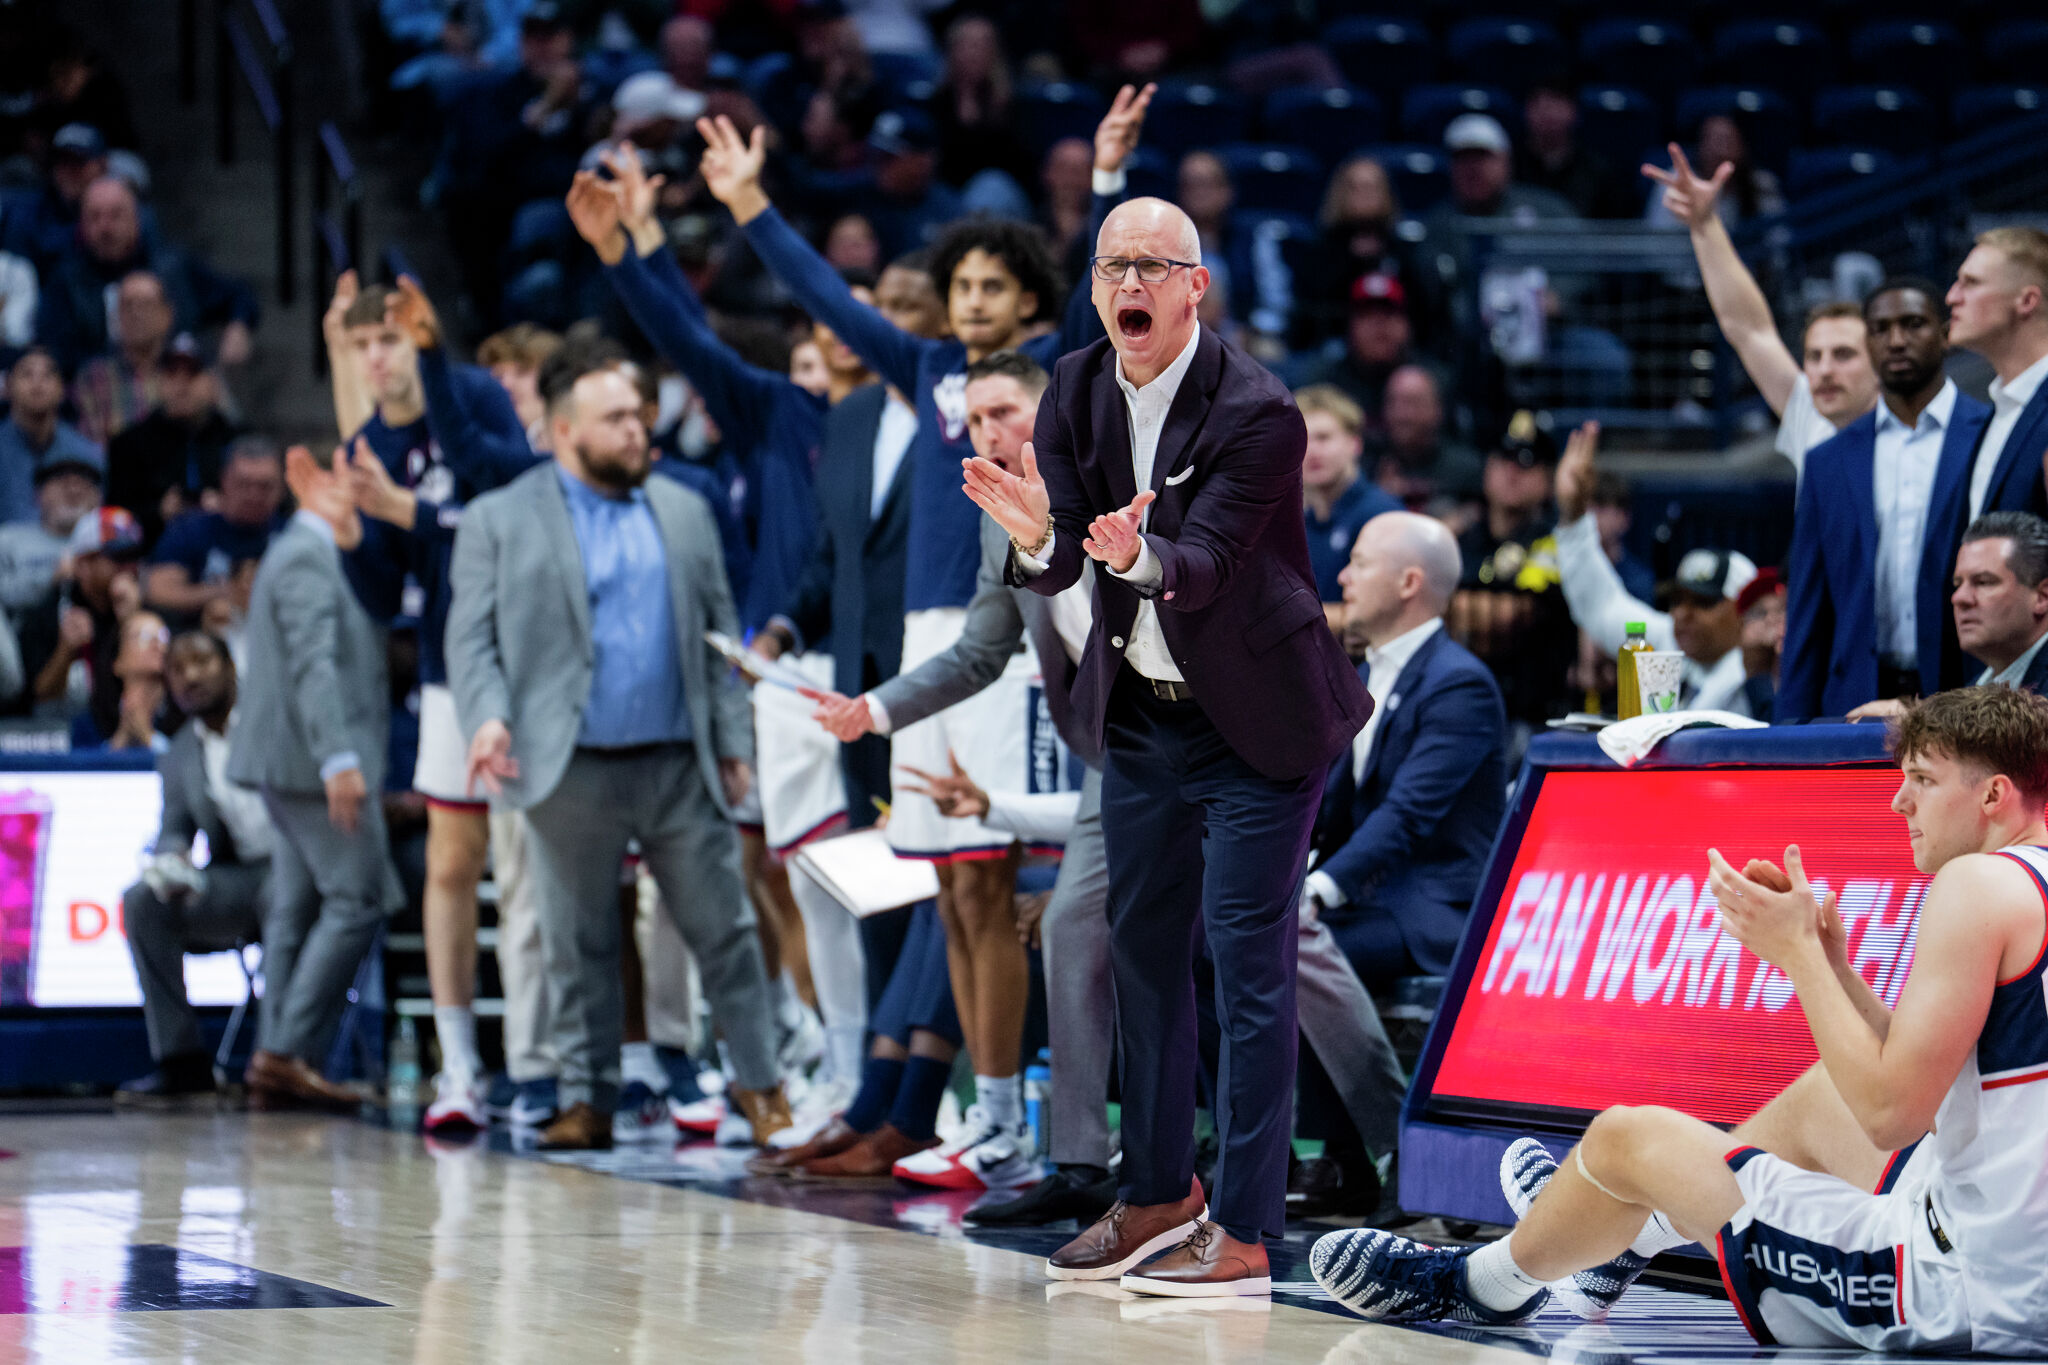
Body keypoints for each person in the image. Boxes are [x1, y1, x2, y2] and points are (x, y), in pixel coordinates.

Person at [1313, 685, 2048, 1358]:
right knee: (1826, 1091)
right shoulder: (2025, 885)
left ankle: (1485, 1283)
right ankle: (1618, 1242)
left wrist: (1796, 957)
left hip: (1964, 1292)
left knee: (1626, 1136)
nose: (1899, 804)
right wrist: (1835, 966)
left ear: (1993, 794)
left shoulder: (1976, 884)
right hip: (2021, 1264)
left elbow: (1893, 1112)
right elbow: (1936, 1068)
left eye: (1921, 780)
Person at [695, 87, 1150, 1152]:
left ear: (1027, 294)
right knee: (946, 888)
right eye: (960, 285)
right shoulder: (924, 366)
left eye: (993, 284)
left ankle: (995, 1117)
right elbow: (826, 298)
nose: (975, 299)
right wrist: (751, 206)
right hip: (919, 641)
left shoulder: (1055, 364)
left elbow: (1096, 291)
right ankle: (963, 1114)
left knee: (985, 883)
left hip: (1003, 633)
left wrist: (1107, 180)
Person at [962, 195, 1373, 1296]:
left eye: (1153, 265)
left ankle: (1241, 1226)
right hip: (1143, 712)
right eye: (1111, 266)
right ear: (1095, 288)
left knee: (1246, 967)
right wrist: (1036, 537)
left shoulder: (1258, 410)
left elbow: (1208, 566)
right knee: (1132, 956)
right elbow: (1057, 565)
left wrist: (1130, 552)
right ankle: (1153, 1193)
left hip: (1260, 720)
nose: (1129, 284)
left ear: (1196, 286)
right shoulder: (1074, 385)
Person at [445, 350, 788, 1153]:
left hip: (677, 757)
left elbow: (717, 636)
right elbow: (472, 643)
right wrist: (488, 720)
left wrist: (734, 739)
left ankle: (764, 1090)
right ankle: (586, 1096)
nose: (638, 430)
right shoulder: (499, 516)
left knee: (726, 932)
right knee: (577, 941)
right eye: (617, 420)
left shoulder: (684, 508)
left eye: (639, 414)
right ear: (562, 430)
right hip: (567, 758)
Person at [330, 272, 538, 1135]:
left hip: (530, 655)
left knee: (529, 871)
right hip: (451, 667)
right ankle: (459, 1069)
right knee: (452, 866)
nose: (378, 358)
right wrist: (354, 541)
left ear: (418, 333)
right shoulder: (367, 445)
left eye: (389, 337)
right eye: (362, 344)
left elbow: (517, 505)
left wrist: (410, 511)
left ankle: (536, 1062)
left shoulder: (478, 396)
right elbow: (386, 598)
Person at [227, 446, 398, 1112]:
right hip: (310, 763)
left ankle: (278, 1056)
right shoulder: (308, 553)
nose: (358, 492)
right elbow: (313, 666)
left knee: (295, 910)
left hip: (287, 764)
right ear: (313, 485)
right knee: (358, 898)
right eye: (344, 479)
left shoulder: (309, 550)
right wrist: (339, 758)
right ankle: (289, 1051)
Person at [1778, 280, 1992, 721]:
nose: (1896, 340)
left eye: (1913, 324)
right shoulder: (1827, 462)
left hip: (1968, 692)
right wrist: (1786, 734)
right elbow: (1807, 611)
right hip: (1855, 694)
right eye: (1880, 328)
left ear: (1945, 333)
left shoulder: (1989, 433)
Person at [1310, 512, 1506, 987]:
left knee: (1280, 962)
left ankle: (1370, 1067)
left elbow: (1406, 814)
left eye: (1359, 563)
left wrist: (1316, 890)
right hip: (1369, 901)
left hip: (1427, 913)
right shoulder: (1365, 674)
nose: (1343, 577)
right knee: (1219, 948)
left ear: (1408, 583)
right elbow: (1328, 804)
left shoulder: (1459, 685)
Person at [1643, 143, 1877, 479]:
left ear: (1880, 368)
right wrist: (1706, 224)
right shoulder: (1811, 423)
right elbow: (1749, 329)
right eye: (1814, 357)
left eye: (1843, 355)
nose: (1824, 370)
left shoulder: (1917, 444)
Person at [114, 631, 271, 1103]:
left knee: (287, 893)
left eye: (201, 661)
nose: (190, 677)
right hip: (239, 879)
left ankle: (285, 1058)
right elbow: (176, 826)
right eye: (177, 670)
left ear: (230, 664)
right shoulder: (180, 751)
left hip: (299, 869)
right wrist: (172, 858)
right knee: (143, 903)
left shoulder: (270, 719)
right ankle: (182, 1066)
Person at [1553, 421, 1761, 714]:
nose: (1683, 614)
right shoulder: (1669, 643)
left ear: (1745, 614)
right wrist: (1574, 516)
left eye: (1704, 603)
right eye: (1677, 600)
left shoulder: (1758, 679)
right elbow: (1602, 606)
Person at [37, 175, 256, 374]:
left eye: (115, 215)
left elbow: (239, 294)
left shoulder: (173, 267)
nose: (105, 227)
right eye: (95, 217)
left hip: (175, 384)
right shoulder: (65, 280)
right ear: (81, 226)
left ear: (136, 219)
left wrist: (239, 324)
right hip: (97, 395)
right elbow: (56, 353)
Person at [1855, 514, 2048, 721]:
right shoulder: (1975, 689)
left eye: (1983, 582)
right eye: (1958, 584)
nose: (1959, 598)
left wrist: (1929, 723)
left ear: (2042, 597)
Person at [1453, 411, 1575, 735]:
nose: (1512, 473)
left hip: (1534, 716)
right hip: (1461, 705)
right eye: (1502, 460)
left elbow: (1506, 617)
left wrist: (1445, 606)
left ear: (1549, 482)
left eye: (1527, 464)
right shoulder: (1462, 536)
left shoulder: (1556, 543)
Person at [104, 335, 237, 548]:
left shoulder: (237, 441)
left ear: (213, 381)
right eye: (171, 373)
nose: (181, 384)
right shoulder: (128, 444)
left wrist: (229, 509)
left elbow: (275, 511)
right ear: (158, 381)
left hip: (226, 552)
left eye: (192, 373)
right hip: (151, 555)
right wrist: (158, 513)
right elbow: (111, 523)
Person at [142, 436, 283, 626]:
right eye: (244, 484)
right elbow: (157, 590)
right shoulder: (190, 530)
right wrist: (223, 593)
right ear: (224, 480)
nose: (254, 495)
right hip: (202, 644)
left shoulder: (292, 538)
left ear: (281, 487)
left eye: (264, 486)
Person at [1297, 384, 1400, 623]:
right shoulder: (1295, 520)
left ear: (1355, 444)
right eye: (1302, 438)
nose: (1312, 450)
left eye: (1323, 438)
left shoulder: (1381, 517)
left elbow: (1383, 613)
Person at [70, 270, 174, 445]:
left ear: (167, 314)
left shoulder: (190, 371)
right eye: (127, 305)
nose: (136, 313)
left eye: (145, 304)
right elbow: (89, 451)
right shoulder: (94, 377)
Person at [0, 346, 100, 527]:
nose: (37, 383)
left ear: (62, 388)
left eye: (48, 375)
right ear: (7, 386)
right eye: (27, 374)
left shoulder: (87, 453)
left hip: (70, 550)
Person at [0, 442, 100, 622]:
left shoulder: (110, 544)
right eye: (63, 482)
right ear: (38, 495)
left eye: (83, 483)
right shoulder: (8, 540)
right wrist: (51, 577)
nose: (74, 489)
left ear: (97, 497)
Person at [1303, 273, 1416, 429]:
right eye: (1367, 315)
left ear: (1407, 325)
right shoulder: (1324, 382)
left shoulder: (1430, 383)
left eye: (1389, 314)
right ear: (1350, 326)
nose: (1379, 325)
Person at [1370, 364, 1484, 515]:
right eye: (1392, 402)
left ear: (1438, 409)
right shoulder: (1367, 463)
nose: (1400, 415)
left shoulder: (1468, 470)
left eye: (1412, 403)